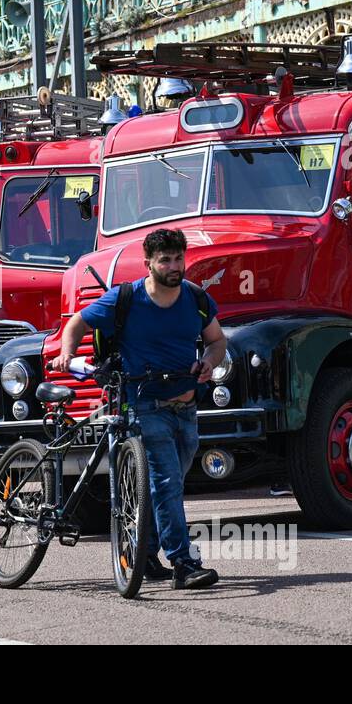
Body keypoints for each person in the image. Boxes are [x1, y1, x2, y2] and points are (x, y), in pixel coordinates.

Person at [52, 229, 227, 590]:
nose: (174, 266)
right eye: (165, 260)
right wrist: (68, 352)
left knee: (168, 485)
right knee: (165, 482)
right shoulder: (126, 298)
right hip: (145, 406)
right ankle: (183, 562)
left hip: (186, 407)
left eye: (178, 258)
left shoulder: (195, 298)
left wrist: (210, 361)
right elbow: (77, 323)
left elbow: (217, 340)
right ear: (149, 264)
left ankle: (144, 553)